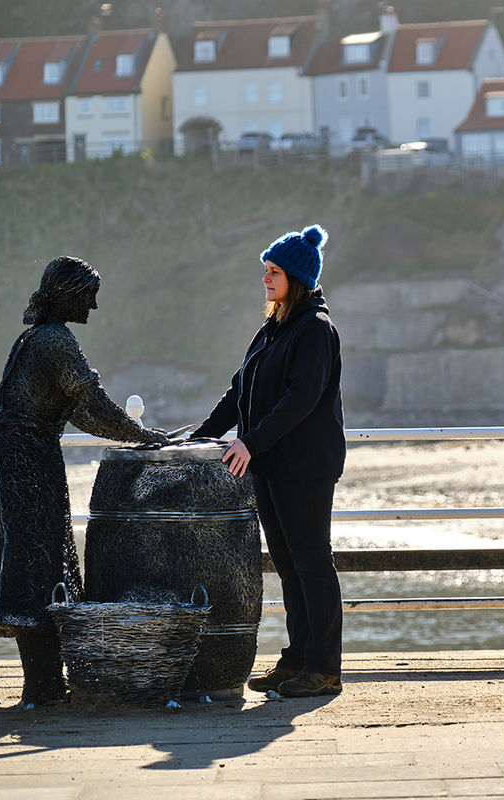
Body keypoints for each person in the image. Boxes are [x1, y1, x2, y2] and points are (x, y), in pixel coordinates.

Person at [0, 256, 169, 707]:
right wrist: (143, 436)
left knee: (32, 562)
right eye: (89, 295)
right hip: (26, 464)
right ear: (69, 294)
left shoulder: (35, 337)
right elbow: (94, 404)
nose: (93, 305)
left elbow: (79, 412)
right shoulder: (55, 340)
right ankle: (43, 687)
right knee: (35, 564)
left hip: (15, 458)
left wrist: (132, 434)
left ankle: (45, 684)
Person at [193, 224, 346, 698]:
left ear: (296, 278)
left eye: (274, 271)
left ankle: (324, 668)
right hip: (271, 465)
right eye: (265, 270)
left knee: (312, 563)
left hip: (306, 466)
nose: (265, 278)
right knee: (288, 565)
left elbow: (300, 399)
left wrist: (251, 442)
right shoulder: (273, 328)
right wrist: (200, 438)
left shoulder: (315, 330)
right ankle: (298, 659)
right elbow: (238, 391)